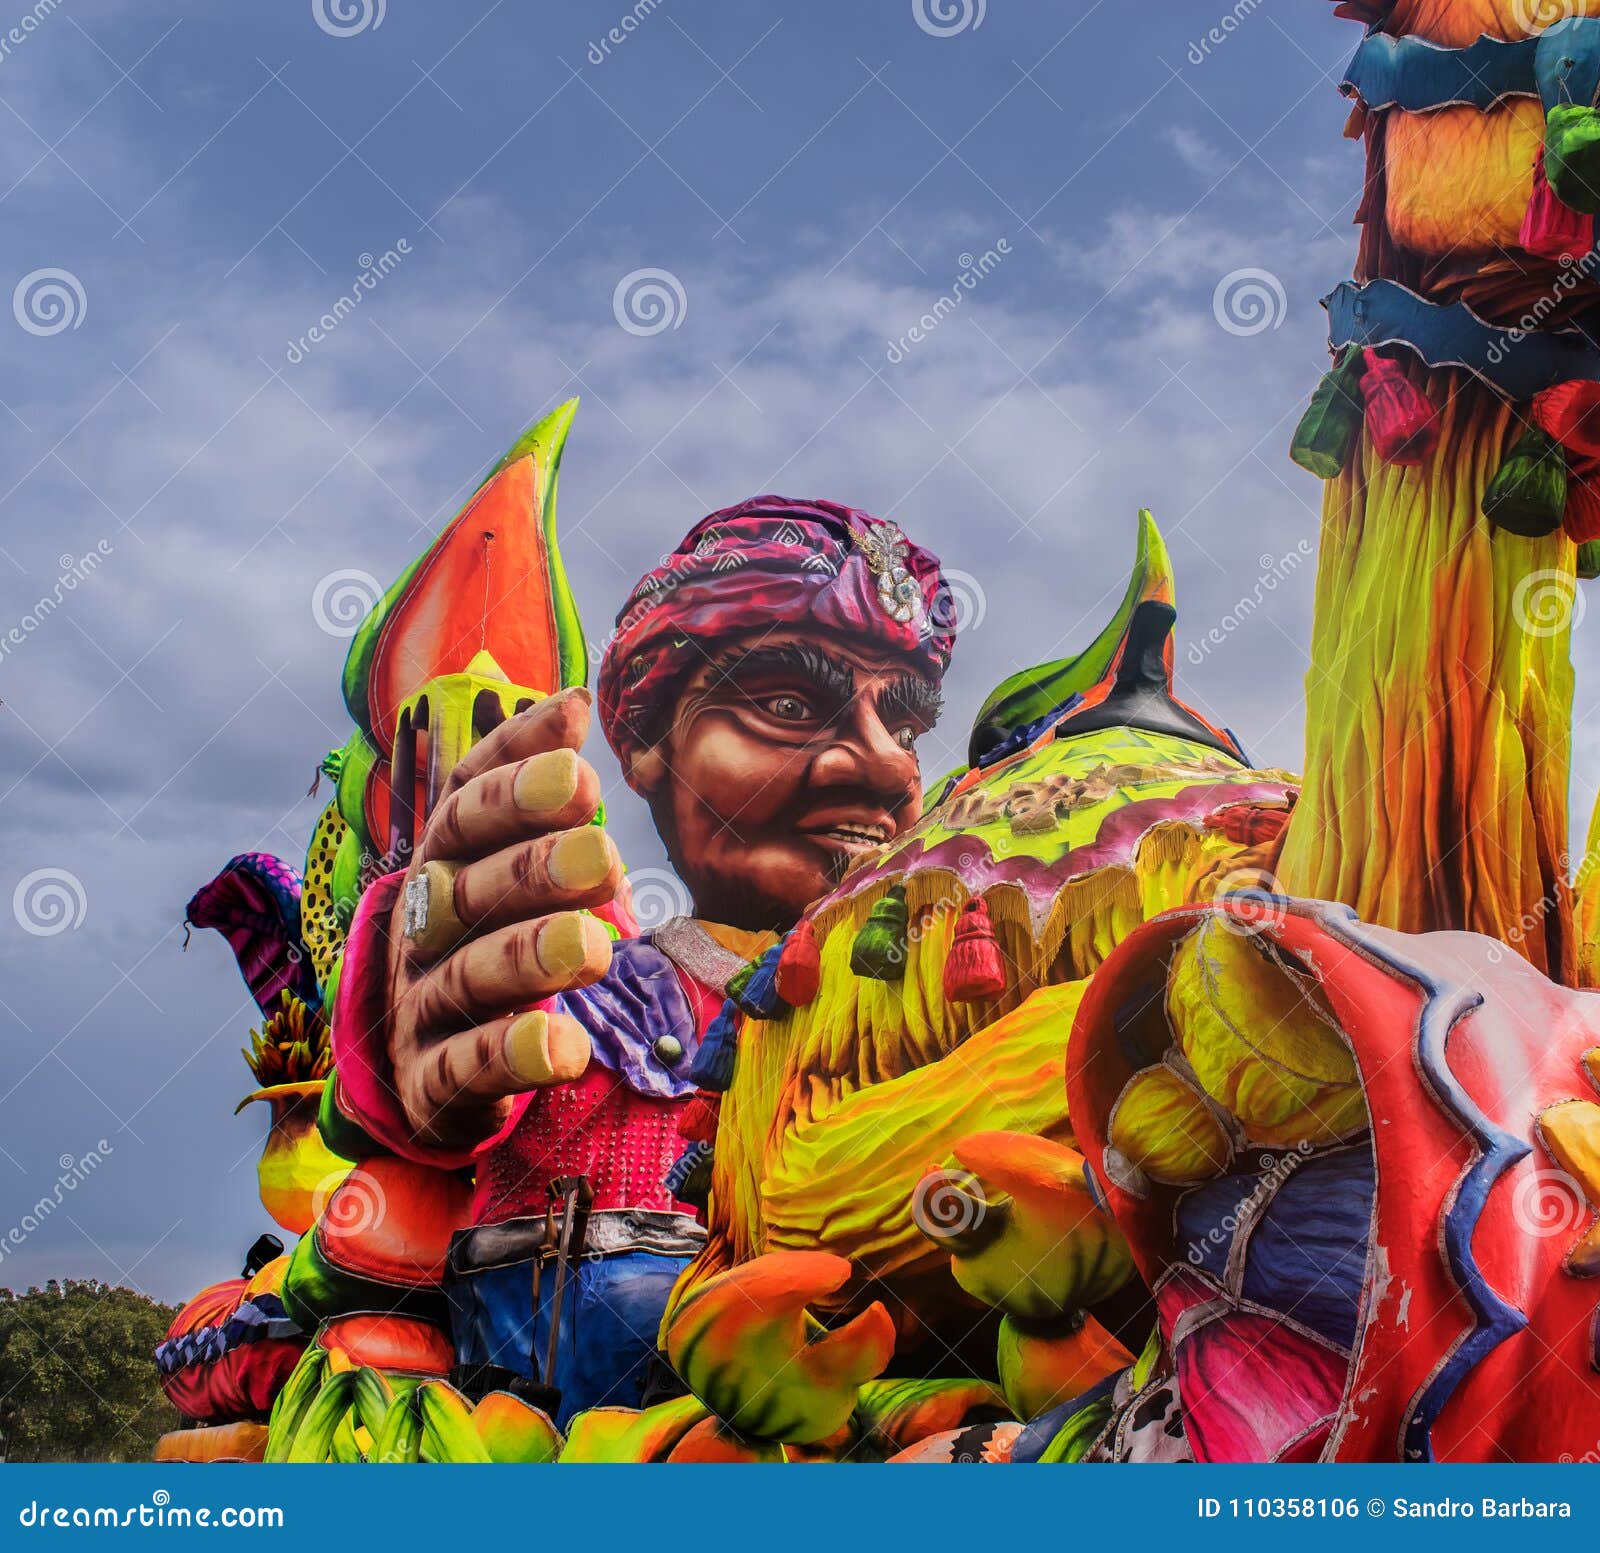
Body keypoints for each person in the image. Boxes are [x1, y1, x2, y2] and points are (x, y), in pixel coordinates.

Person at [329, 495, 955, 1424]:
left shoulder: (935, 1021)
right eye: (787, 705)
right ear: (645, 746)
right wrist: (408, 980)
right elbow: (448, 1057)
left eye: (905, 728)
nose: (890, 769)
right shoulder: (584, 984)